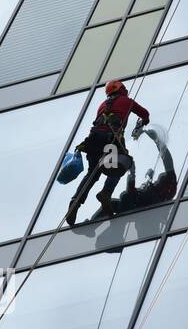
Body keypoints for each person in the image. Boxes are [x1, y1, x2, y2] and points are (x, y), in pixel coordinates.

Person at [64, 81, 150, 226]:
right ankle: (106, 193)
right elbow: (145, 113)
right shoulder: (127, 101)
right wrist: (144, 121)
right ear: (122, 90)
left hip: (92, 140)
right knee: (122, 163)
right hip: (111, 139)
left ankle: (75, 202)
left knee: (93, 173)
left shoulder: (102, 105)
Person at [89, 124, 177, 221]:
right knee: (115, 204)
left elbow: (168, 162)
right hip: (135, 209)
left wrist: (158, 142)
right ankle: (93, 222)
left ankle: (92, 223)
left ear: (164, 181)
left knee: (122, 200)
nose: (156, 181)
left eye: (158, 180)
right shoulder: (160, 192)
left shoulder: (165, 189)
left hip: (136, 210)